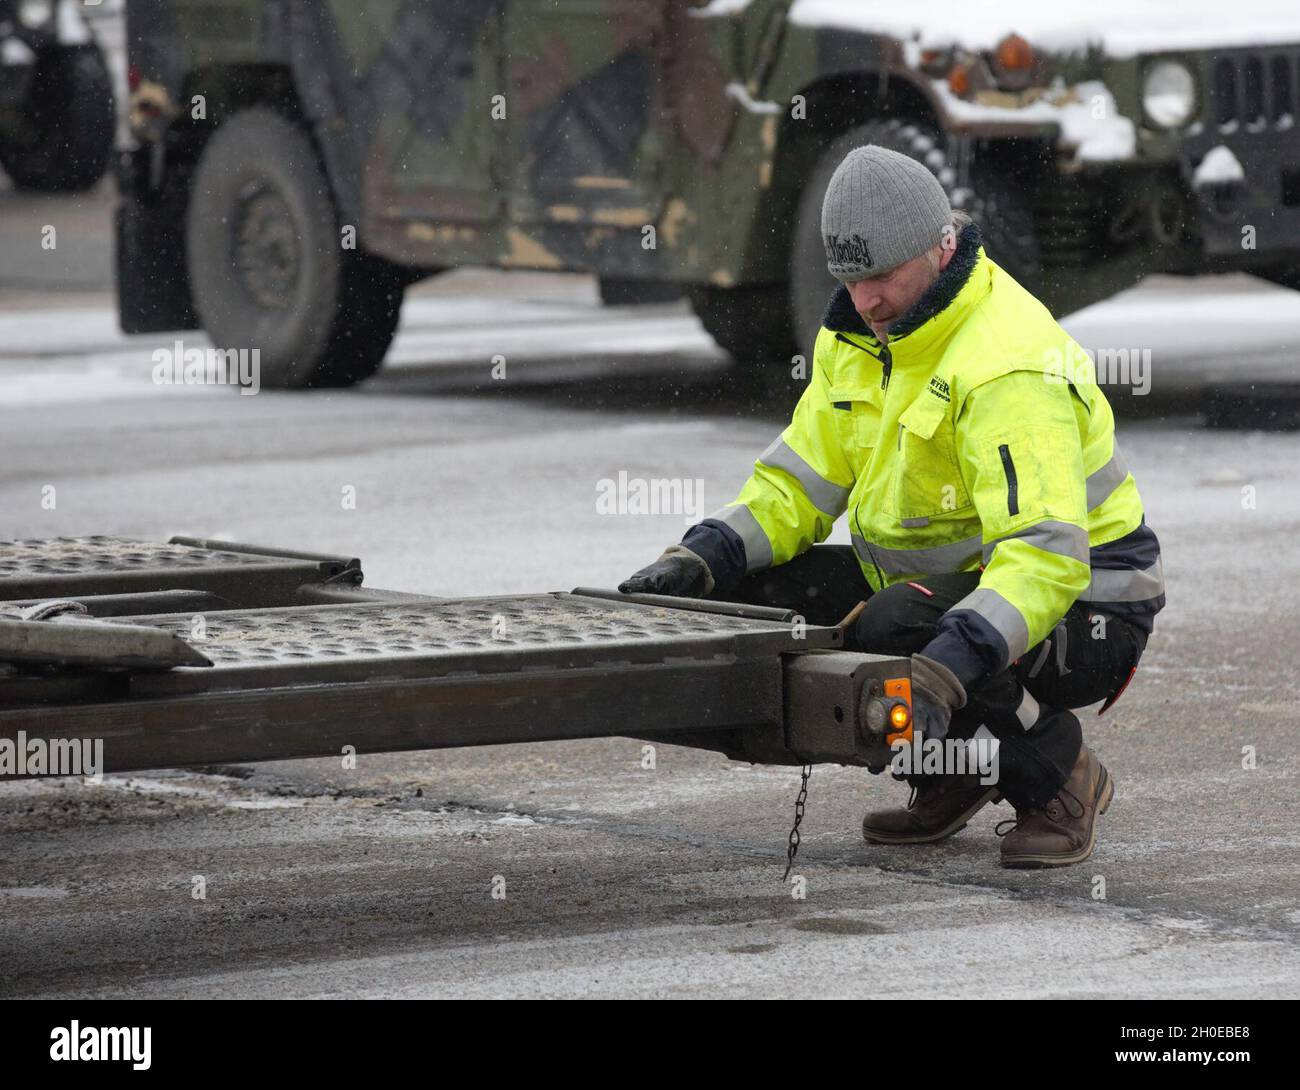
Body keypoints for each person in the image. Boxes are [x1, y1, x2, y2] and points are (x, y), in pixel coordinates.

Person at [619, 144, 1165, 869]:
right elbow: (799, 483)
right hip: (964, 584)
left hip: (1091, 602)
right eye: (850, 277)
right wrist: (705, 555)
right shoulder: (859, 334)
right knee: (765, 595)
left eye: (881, 277)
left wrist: (944, 669)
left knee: (900, 624)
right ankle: (958, 771)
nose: (865, 300)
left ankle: (1060, 775)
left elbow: (1042, 555)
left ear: (941, 250)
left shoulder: (1007, 364)